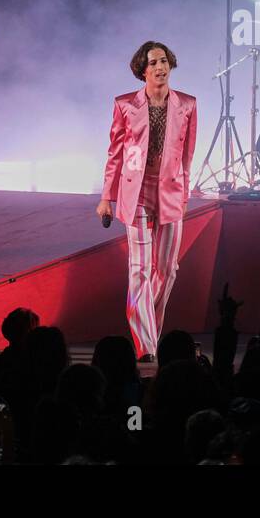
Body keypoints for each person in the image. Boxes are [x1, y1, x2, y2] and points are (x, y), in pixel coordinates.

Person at [97, 42, 198, 361]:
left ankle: (148, 325)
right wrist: (106, 197)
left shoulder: (188, 104)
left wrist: (185, 193)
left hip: (170, 192)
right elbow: (114, 153)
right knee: (139, 268)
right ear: (142, 69)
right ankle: (146, 345)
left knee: (167, 269)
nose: (160, 67)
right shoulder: (125, 104)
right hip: (135, 192)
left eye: (164, 61)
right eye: (153, 62)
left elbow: (187, 156)